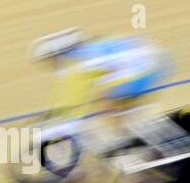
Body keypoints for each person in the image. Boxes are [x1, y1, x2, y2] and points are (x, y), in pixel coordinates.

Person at [29, 28, 175, 147]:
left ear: (59, 54)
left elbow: (75, 97)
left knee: (105, 101)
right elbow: (68, 93)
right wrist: (56, 113)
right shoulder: (88, 49)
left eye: (49, 60)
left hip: (145, 69)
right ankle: (139, 137)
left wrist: (62, 121)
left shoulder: (81, 63)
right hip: (151, 63)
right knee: (118, 107)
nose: (50, 64)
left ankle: (128, 140)